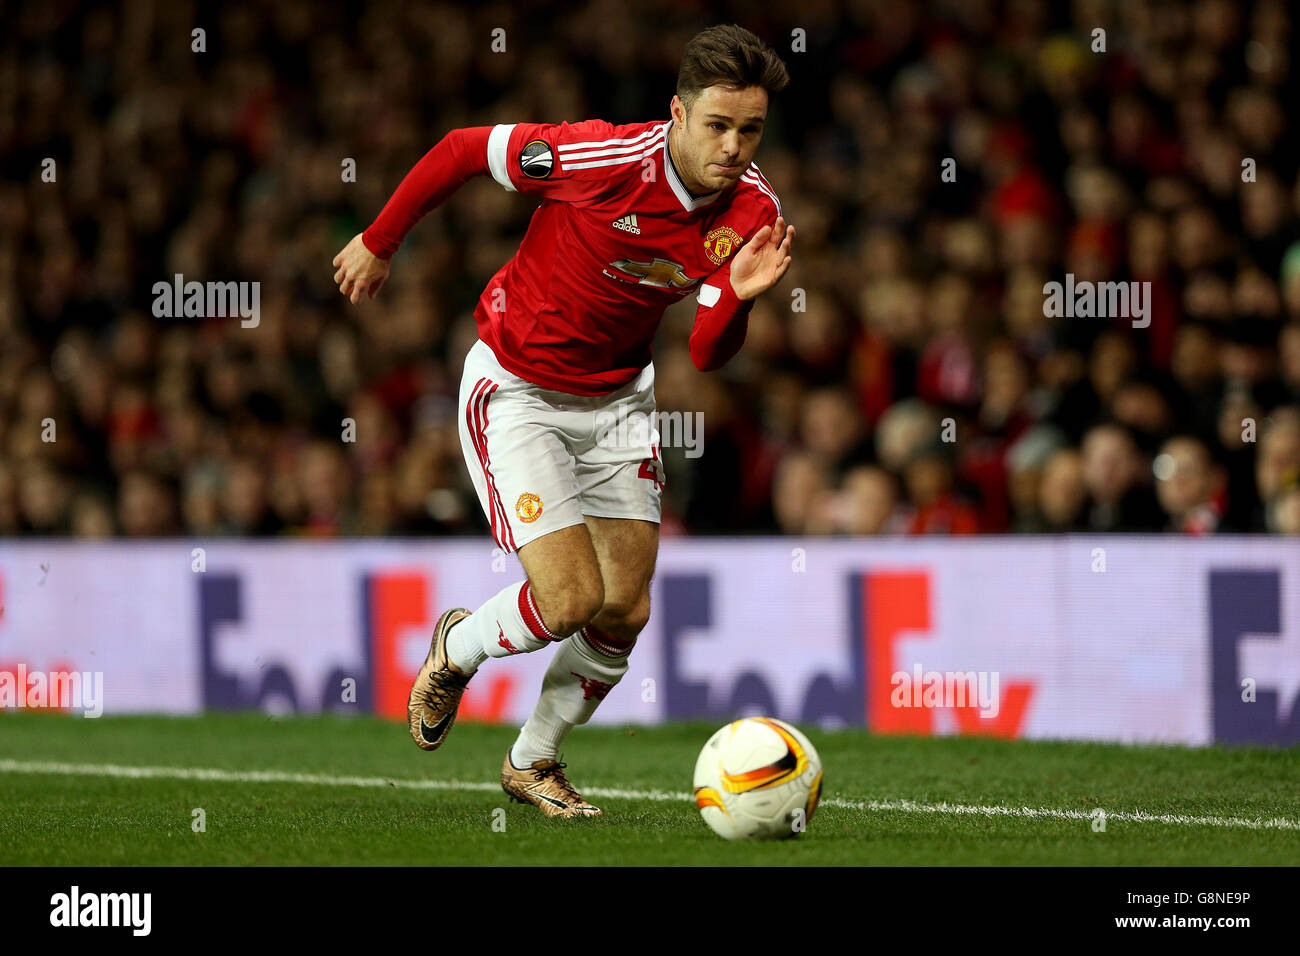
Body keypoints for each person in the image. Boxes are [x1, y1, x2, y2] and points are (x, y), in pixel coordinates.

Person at [331, 24, 794, 818]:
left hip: (618, 403)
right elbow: (462, 149)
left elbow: (709, 352)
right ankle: (457, 648)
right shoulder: (600, 158)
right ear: (677, 113)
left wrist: (739, 300)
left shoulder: (754, 211)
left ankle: (533, 760)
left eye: (749, 130)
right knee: (571, 598)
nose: (733, 147)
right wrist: (380, 241)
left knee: (625, 608)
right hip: (519, 391)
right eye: (718, 125)